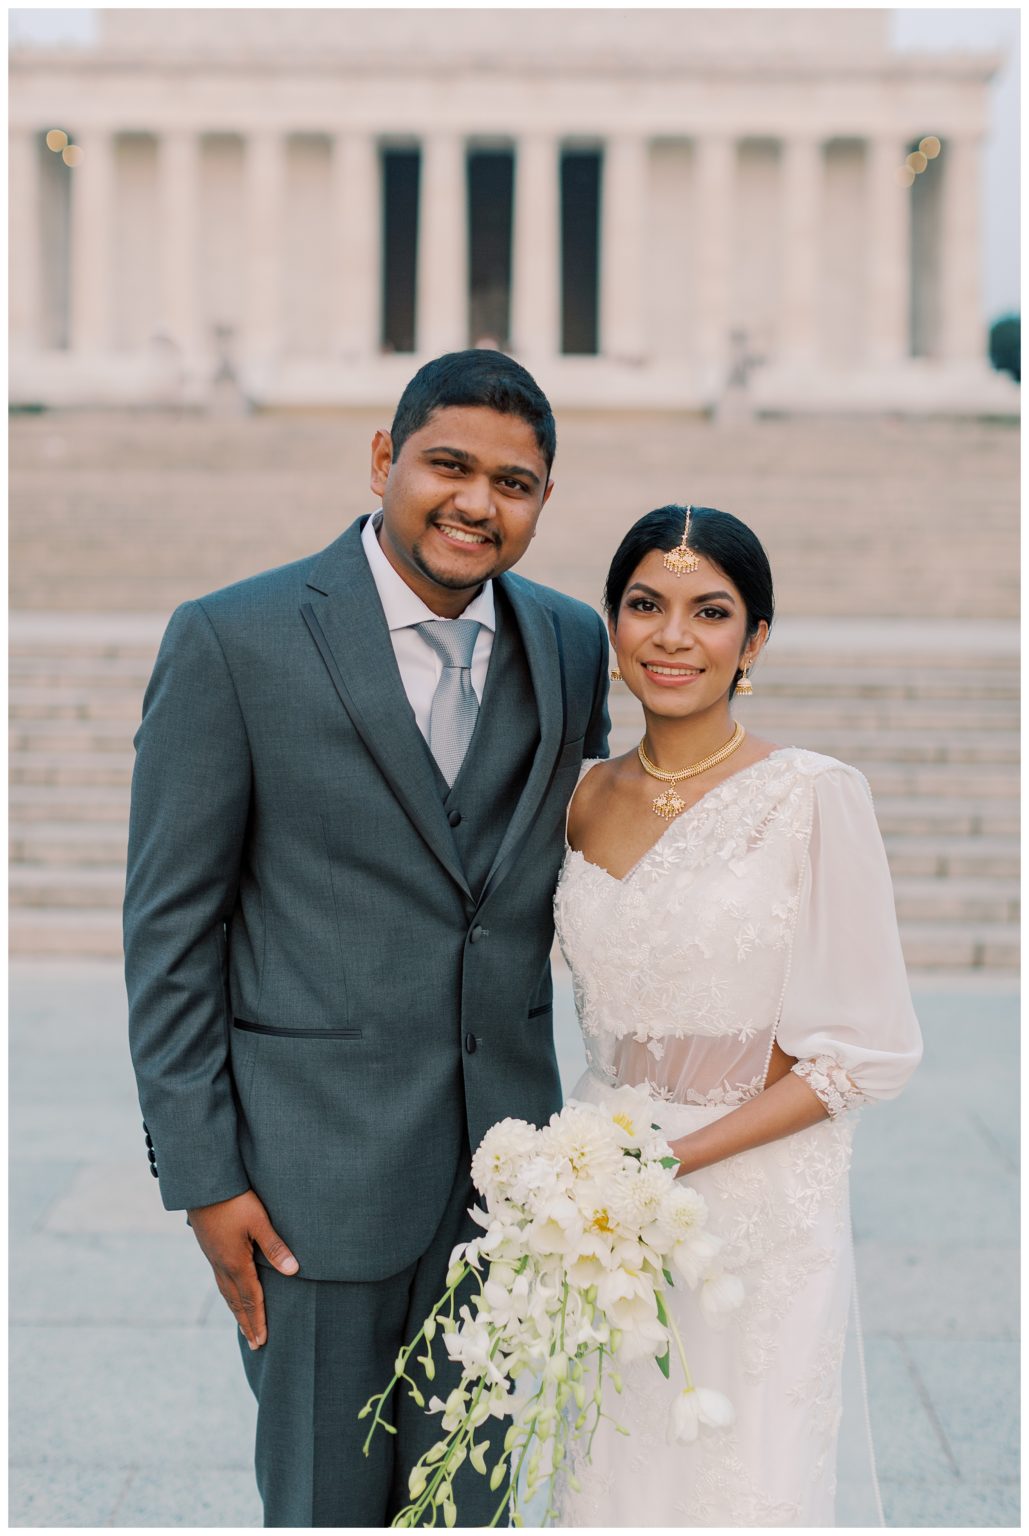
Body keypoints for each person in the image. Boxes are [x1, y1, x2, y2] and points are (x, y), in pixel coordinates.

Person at [123, 349, 611, 1527]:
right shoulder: (232, 639)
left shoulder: (571, 640)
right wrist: (204, 1178)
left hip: (509, 1190)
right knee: (323, 1506)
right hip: (306, 1190)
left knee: (474, 1508)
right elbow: (171, 930)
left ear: (544, 500)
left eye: (516, 482)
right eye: (449, 465)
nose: (477, 504)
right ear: (385, 460)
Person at [553, 504, 922, 1526]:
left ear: (753, 639)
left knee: (737, 1477)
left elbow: (861, 1055)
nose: (674, 636)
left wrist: (679, 1158)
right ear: (612, 625)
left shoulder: (811, 796)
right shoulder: (574, 797)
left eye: (709, 611)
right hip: (598, 1197)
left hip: (755, 1195)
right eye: (645, 605)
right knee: (608, 1471)